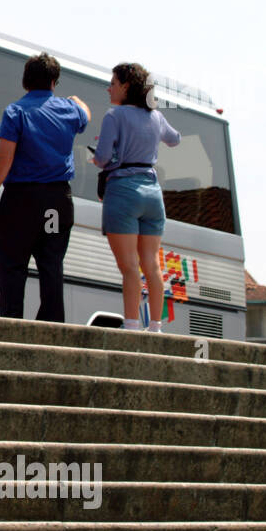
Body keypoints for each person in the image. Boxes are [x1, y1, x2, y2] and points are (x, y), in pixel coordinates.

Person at [0, 52, 90, 322]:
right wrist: (74, 99)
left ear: (25, 82)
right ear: (54, 82)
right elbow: (86, 112)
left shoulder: (16, 112)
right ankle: (51, 332)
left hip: (20, 203)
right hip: (56, 203)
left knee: (12, 267)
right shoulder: (69, 110)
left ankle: (12, 327)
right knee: (51, 266)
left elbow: (4, 158)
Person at [90, 62, 181, 332]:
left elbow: (104, 157)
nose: (109, 88)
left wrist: (96, 159)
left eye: (113, 83)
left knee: (129, 266)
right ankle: (155, 326)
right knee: (151, 264)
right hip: (153, 192)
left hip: (124, 190)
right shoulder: (155, 117)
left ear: (126, 87)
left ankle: (131, 325)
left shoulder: (114, 116)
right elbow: (175, 139)